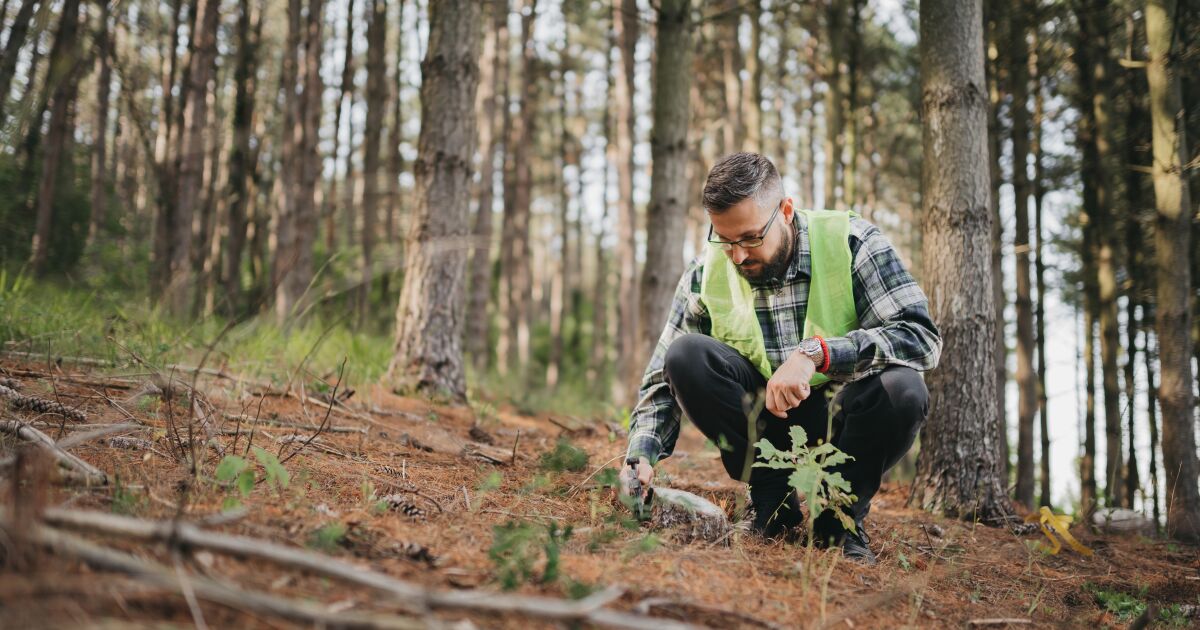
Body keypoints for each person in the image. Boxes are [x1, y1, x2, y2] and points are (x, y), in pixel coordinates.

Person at [620, 152, 942, 565]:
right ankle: (772, 504)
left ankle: (837, 522)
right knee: (686, 356)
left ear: (785, 211)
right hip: (765, 426)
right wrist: (641, 456)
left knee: (903, 388)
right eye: (725, 239)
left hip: (843, 423)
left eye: (751, 238)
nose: (737, 255)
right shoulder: (704, 273)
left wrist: (817, 354)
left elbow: (919, 335)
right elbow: (661, 381)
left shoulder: (852, 242)